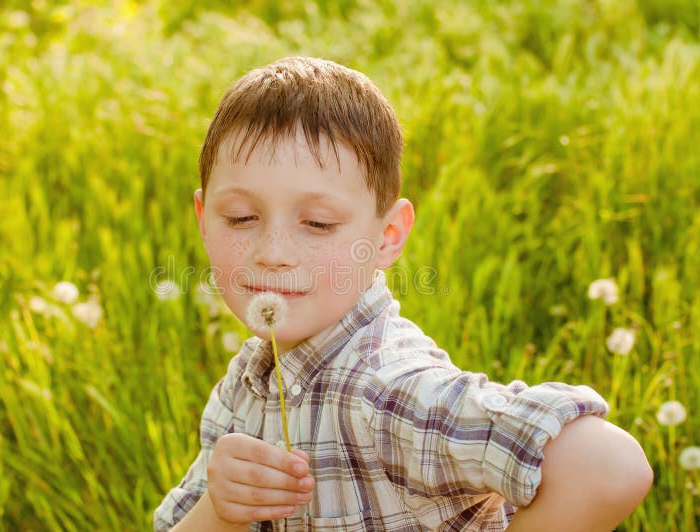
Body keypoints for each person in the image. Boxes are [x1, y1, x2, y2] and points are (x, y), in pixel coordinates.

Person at [154, 56, 652, 531]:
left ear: (388, 236)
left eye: (318, 223)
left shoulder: (387, 391)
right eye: (241, 217)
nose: (273, 251)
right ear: (202, 219)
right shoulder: (248, 380)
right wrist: (221, 512)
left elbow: (609, 468)